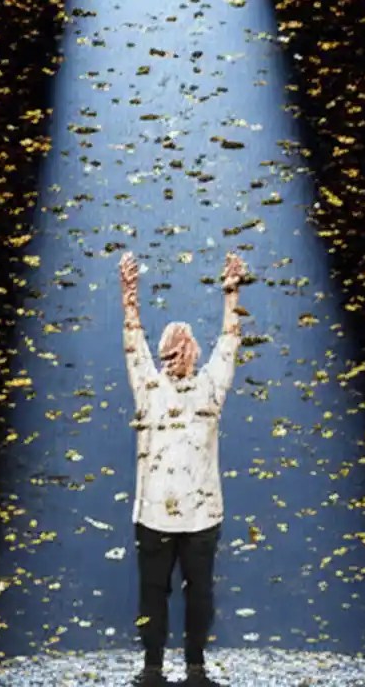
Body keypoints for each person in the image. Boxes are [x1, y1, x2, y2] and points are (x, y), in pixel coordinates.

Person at [119, 250, 247, 687]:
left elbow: (229, 343)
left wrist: (232, 293)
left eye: (178, 351)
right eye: (166, 352)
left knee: (201, 594)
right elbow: (133, 344)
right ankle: (152, 669)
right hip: (154, 514)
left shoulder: (210, 387)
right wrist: (129, 296)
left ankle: (195, 668)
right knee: (153, 593)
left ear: (191, 352)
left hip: (202, 515)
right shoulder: (149, 388)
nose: (171, 358)